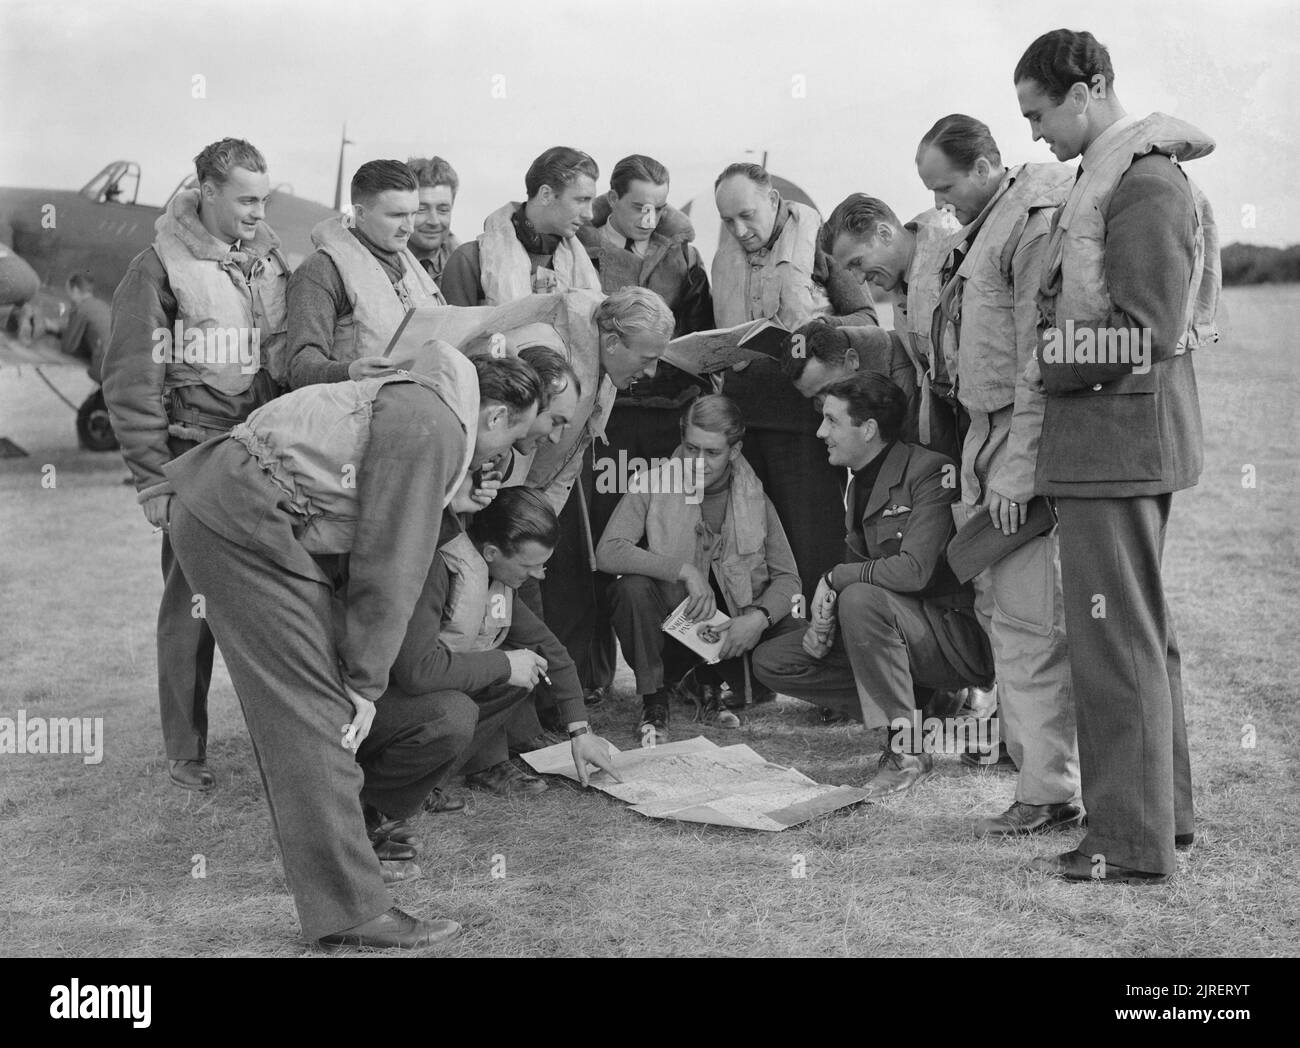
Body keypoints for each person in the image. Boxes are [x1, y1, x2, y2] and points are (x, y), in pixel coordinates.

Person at [159, 351, 542, 948]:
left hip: (236, 513)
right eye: (516, 437)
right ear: (493, 415)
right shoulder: (435, 425)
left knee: (316, 713)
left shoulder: (426, 404)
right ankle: (351, 911)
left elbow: (369, 506)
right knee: (315, 717)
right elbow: (389, 563)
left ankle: (348, 879)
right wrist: (364, 684)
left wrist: (450, 498)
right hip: (242, 528)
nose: (505, 458)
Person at [1013, 29, 1218, 883]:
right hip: (1116, 444)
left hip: (1117, 446)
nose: (1034, 135)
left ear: (1088, 89)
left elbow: (1146, 330)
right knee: (1139, 639)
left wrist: (1044, 360)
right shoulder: (1124, 177)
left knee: (1115, 646)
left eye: (1040, 112)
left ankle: (1128, 843)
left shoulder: (1143, 184)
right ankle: (1159, 824)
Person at [102, 137, 290, 792]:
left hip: (265, 454)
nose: (255, 212)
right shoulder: (155, 270)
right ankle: (186, 752)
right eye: (244, 199)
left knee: (285, 602)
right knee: (193, 607)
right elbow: (130, 382)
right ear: (207, 191)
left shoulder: (269, 261)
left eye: (262, 199)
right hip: (193, 457)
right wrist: (153, 480)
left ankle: (290, 747)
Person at [914, 113, 1082, 837]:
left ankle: (1048, 791)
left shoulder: (1028, 225)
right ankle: (1036, 774)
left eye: (946, 185)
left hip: (1015, 443)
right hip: (984, 441)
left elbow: (1036, 363)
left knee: (1028, 624)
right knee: (1004, 618)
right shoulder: (984, 225)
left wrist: (1017, 472)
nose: (941, 203)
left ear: (985, 163)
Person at [752, 373, 993, 798]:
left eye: (831, 421)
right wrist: (823, 622)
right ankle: (918, 707)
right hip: (893, 630)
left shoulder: (932, 472)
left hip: (951, 637)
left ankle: (908, 750)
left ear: (867, 429)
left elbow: (914, 570)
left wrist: (836, 579)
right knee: (774, 660)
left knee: (860, 597)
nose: (820, 432)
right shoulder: (857, 480)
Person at [366, 487, 619, 820]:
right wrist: (502, 663)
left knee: (524, 672)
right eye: (530, 565)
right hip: (370, 708)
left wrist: (580, 732)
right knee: (455, 713)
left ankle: (426, 783)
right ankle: (372, 797)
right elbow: (417, 672)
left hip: (414, 701)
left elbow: (552, 653)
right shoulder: (436, 570)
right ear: (491, 552)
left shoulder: (493, 580)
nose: (539, 575)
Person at [578, 153, 714, 702]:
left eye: (659, 208)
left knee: (669, 535)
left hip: (663, 412)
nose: (649, 219)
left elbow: (703, 326)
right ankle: (591, 672)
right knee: (599, 538)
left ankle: (683, 670)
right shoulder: (582, 249)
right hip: (607, 415)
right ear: (611, 200)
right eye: (638, 206)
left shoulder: (683, 253)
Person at [711, 162, 878, 609]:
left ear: (772, 199)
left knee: (813, 542)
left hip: (807, 428)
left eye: (747, 215)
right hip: (744, 427)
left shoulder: (819, 246)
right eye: (728, 220)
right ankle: (763, 657)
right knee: (750, 548)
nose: (739, 229)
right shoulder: (723, 255)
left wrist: (819, 327)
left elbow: (867, 320)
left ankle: (824, 648)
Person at [597, 395, 802, 740]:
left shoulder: (755, 496)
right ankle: (655, 699)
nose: (698, 462)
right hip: (673, 627)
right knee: (629, 588)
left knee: (801, 630)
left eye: (712, 453)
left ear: (734, 451)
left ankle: (712, 681)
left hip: (732, 630)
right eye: (691, 449)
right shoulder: (651, 483)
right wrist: (684, 570)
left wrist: (758, 619)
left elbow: (789, 578)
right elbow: (608, 552)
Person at [822, 193, 964, 458]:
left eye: (857, 262)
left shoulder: (957, 259)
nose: (859, 278)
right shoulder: (902, 281)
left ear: (884, 233)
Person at [281, 159, 444, 389]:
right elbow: (299, 367)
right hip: (353, 412)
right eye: (396, 215)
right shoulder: (321, 272)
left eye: (413, 214)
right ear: (360, 213)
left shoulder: (409, 266)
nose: (409, 227)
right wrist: (348, 372)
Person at [440, 146, 602, 306]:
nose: (589, 214)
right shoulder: (470, 261)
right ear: (546, 195)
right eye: (581, 200)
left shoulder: (587, 267)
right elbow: (454, 331)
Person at [46, 273, 112, 382]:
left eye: (68, 291)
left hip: (104, 371)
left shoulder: (81, 309)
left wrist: (56, 331)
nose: (68, 296)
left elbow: (68, 347)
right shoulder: (103, 306)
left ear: (75, 290)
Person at [406, 156, 460, 286]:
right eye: (422, 209)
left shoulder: (468, 266)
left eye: (443, 210)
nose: (434, 221)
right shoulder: (376, 263)